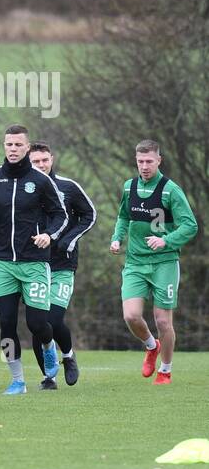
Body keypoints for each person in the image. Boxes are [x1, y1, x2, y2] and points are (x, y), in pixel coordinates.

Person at [0, 125, 68, 396]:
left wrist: (48, 234)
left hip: (35, 264)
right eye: (8, 145)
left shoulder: (41, 180)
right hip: (2, 265)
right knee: (7, 324)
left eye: (17, 145)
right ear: (4, 146)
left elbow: (60, 215)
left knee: (37, 324)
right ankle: (17, 380)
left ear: (26, 148)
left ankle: (49, 348)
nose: (12, 149)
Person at [109, 140, 199, 385]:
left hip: (165, 263)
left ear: (159, 160)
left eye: (149, 161)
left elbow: (190, 225)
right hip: (136, 262)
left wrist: (166, 241)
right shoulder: (129, 187)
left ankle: (165, 370)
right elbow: (123, 217)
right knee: (131, 316)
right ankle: (151, 345)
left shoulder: (171, 190)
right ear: (136, 161)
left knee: (162, 320)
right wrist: (117, 239)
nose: (145, 166)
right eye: (140, 161)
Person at [27, 141, 96, 389]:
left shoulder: (68, 187)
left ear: (52, 159)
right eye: (35, 161)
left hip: (63, 265)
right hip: (34, 266)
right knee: (37, 325)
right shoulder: (24, 190)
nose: (41, 165)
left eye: (44, 160)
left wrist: (67, 239)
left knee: (54, 320)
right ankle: (49, 377)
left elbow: (90, 215)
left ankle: (67, 356)